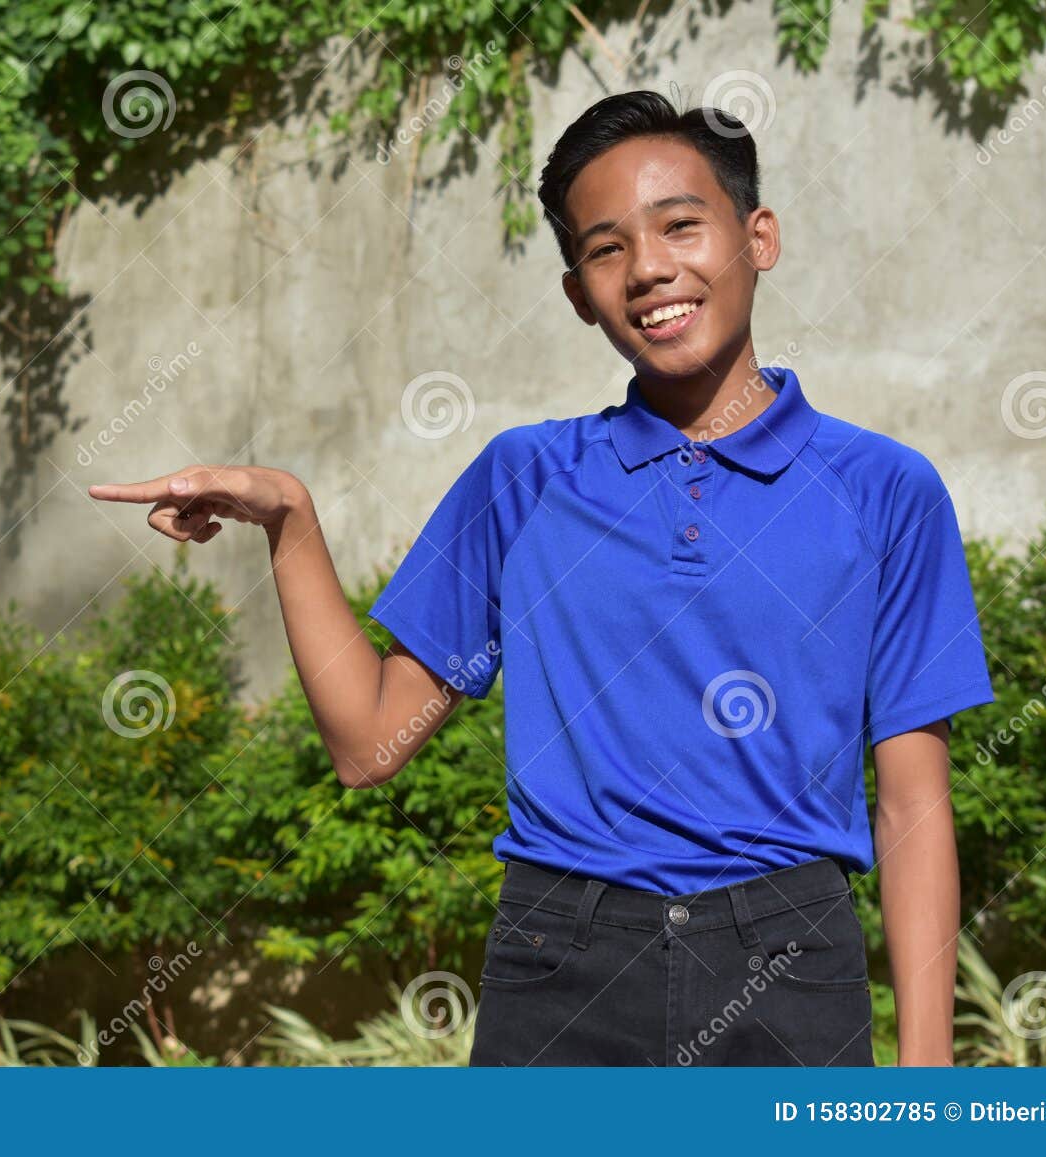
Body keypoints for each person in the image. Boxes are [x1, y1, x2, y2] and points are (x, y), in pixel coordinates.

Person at [87, 89, 995, 1067]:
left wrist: (927, 1079)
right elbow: (366, 743)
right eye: (605, 248)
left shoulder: (884, 491)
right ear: (576, 293)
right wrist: (290, 519)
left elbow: (910, 804)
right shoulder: (523, 479)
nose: (648, 268)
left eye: (680, 226)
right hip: (560, 962)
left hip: (789, 963)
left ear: (757, 236)